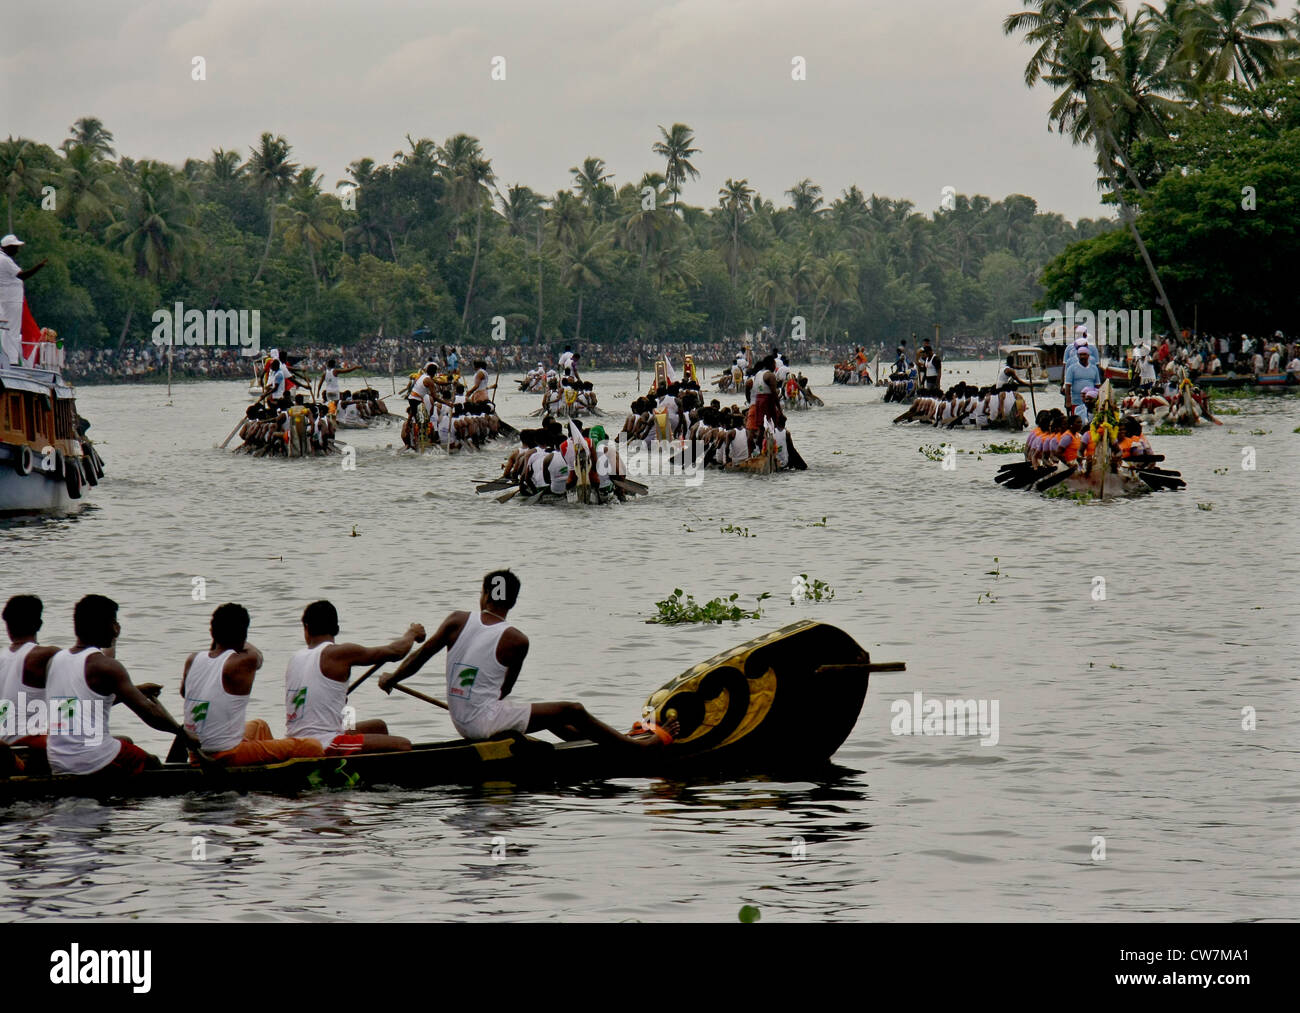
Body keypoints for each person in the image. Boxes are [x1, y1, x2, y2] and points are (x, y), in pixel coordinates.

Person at [378, 571, 678, 749]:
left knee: (546, 716)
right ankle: (641, 750)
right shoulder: (517, 639)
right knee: (572, 709)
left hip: (463, 721)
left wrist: (392, 678)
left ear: (484, 595)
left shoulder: (456, 620)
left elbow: (420, 656)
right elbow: (502, 692)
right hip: (481, 724)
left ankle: (586, 744)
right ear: (513, 601)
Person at [45, 595, 203, 777]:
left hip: (58, 758)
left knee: (126, 741)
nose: (116, 627)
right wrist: (183, 734)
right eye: (114, 622)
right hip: (89, 761)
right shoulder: (106, 666)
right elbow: (150, 714)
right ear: (105, 626)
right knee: (151, 762)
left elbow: (84, 704)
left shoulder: (56, 660)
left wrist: (139, 690)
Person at [181, 604, 324, 766]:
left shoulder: (192, 659)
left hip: (196, 754)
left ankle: (273, 768)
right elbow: (258, 657)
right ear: (244, 635)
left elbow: (185, 693)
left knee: (259, 726)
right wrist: (240, 639)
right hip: (225, 755)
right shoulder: (243, 661)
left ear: (212, 632)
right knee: (312, 746)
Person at [285, 601, 423, 755]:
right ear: (336, 629)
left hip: (294, 740)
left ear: (306, 629)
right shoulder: (338, 653)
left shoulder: (295, 659)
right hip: (323, 743)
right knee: (404, 746)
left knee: (379, 727)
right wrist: (413, 633)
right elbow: (396, 651)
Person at [1, 595, 59, 768]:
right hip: (27, 740)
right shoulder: (46, 654)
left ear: (8, 626)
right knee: (124, 741)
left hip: (3, 740)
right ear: (39, 625)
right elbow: (86, 670)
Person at [0, 234, 47, 368]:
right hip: (11, 300)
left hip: (4, 299)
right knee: (13, 330)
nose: (17, 250)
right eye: (15, 247)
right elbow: (23, 276)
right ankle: (13, 361)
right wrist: (39, 266)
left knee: (4, 330)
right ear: (8, 247)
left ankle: (7, 359)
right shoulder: (5, 260)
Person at [1062, 345, 1102, 421]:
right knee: (1077, 421)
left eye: (1084, 354)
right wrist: (1068, 401)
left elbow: (1097, 385)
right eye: (1080, 355)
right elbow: (1067, 386)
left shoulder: (1094, 368)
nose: (1082, 357)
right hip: (1076, 401)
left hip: (1091, 402)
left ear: (1088, 356)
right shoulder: (1071, 368)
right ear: (1077, 356)